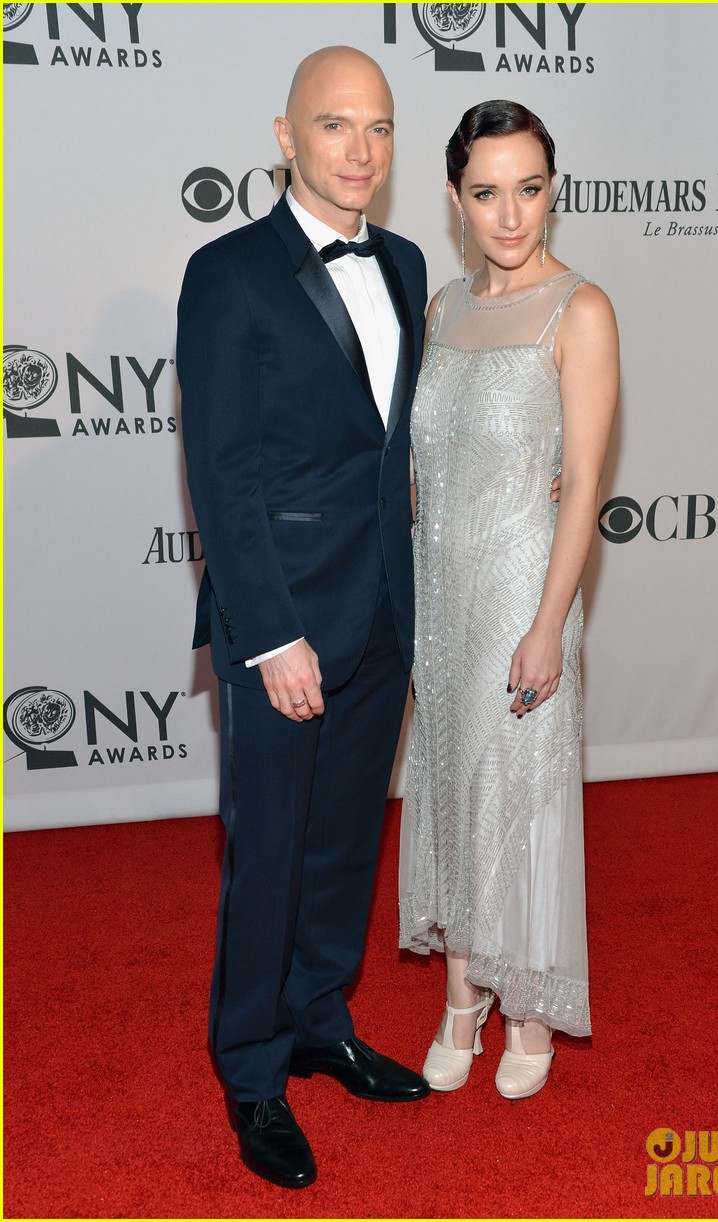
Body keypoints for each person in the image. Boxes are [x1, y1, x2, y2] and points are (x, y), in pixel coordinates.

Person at [176, 46, 430, 1190]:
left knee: (341, 844)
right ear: (285, 137)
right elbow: (221, 471)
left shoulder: (411, 260)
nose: (360, 152)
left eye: (376, 128)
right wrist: (269, 634)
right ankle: (250, 1069)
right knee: (269, 850)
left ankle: (321, 1019)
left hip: (382, 606)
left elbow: (389, 452)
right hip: (284, 620)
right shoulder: (226, 273)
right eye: (335, 127)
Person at [399, 100, 619, 1100]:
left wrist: (545, 625)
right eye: (485, 191)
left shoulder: (579, 310)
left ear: (551, 190)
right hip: (440, 599)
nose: (508, 212)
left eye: (527, 188)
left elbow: (584, 481)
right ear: (453, 199)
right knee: (450, 791)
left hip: (523, 591)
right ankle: (461, 997)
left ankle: (522, 1007)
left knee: (516, 802)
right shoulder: (441, 309)